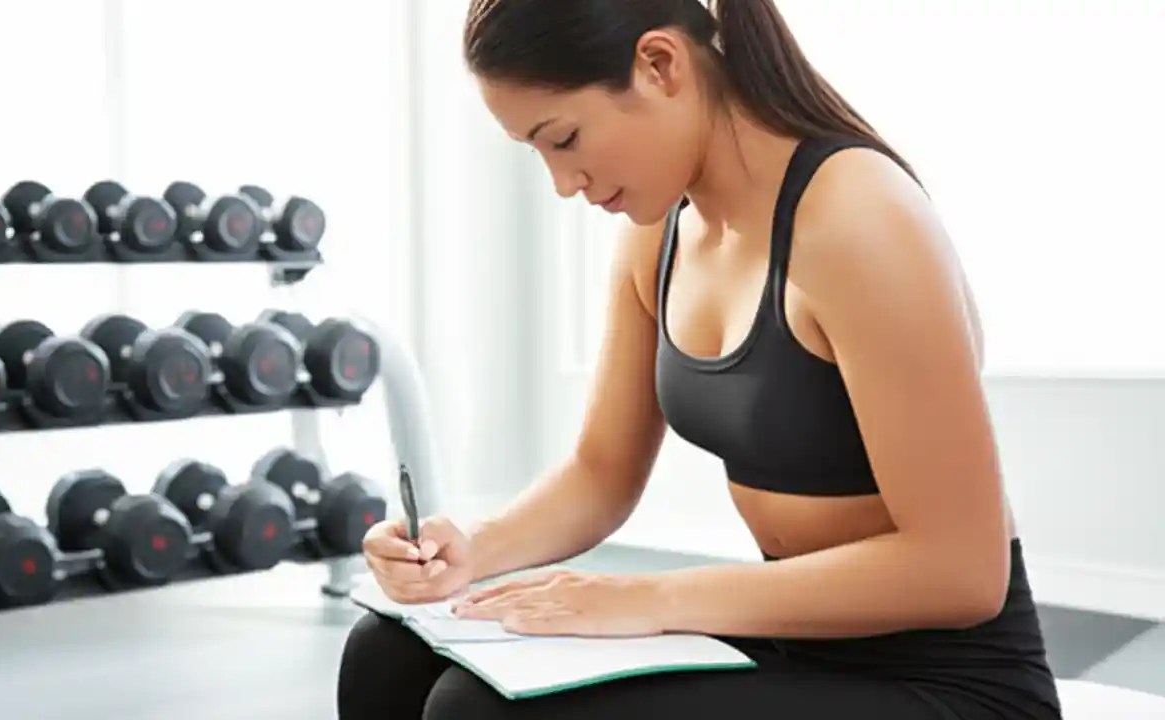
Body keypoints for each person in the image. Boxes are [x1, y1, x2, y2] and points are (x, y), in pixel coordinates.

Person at [338, 1, 1063, 718]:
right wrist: (468, 549)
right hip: (795, 646)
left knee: (478, 712)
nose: (563, 182)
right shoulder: (661, 233)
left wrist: (648, 599)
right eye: (539, 152)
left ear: (660, 64)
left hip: (952, 686)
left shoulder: (857, 219)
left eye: (564, 139)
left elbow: (962, 572)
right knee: (386, 653)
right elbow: (601, 473)